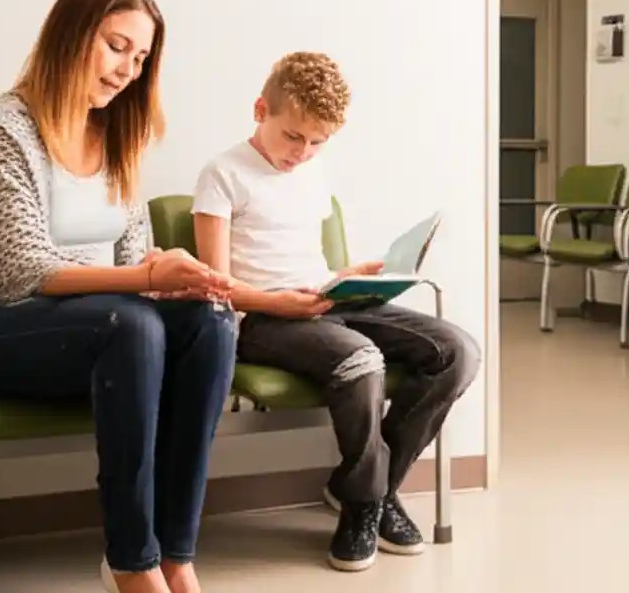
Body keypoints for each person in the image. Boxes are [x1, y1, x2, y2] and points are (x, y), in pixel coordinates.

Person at [0, 0, 236, 593]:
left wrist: (171, 279)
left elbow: (134, 255)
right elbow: (19, 269)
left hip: (107, 329)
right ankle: (131, 563)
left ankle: (176, 556)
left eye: (142, 56)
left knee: (210, 322)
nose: (129, 68)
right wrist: (144, 278)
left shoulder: (119, 135)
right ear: (71, 35)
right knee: (129, 321)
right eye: (117, 45)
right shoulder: (3, 130)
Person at [191, 52, 481, 572]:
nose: (302, 152)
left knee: (458, 352)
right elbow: (216, 286)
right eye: (293, 136)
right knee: (360, 359)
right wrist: (275, 301)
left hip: (324, 302)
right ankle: (369, 503)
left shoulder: (314, 171)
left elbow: (305, 258)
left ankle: (364, 489)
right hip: (261, 318)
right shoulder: (222, 174)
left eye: (318, 141)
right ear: (261, 109)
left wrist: (352, 276)